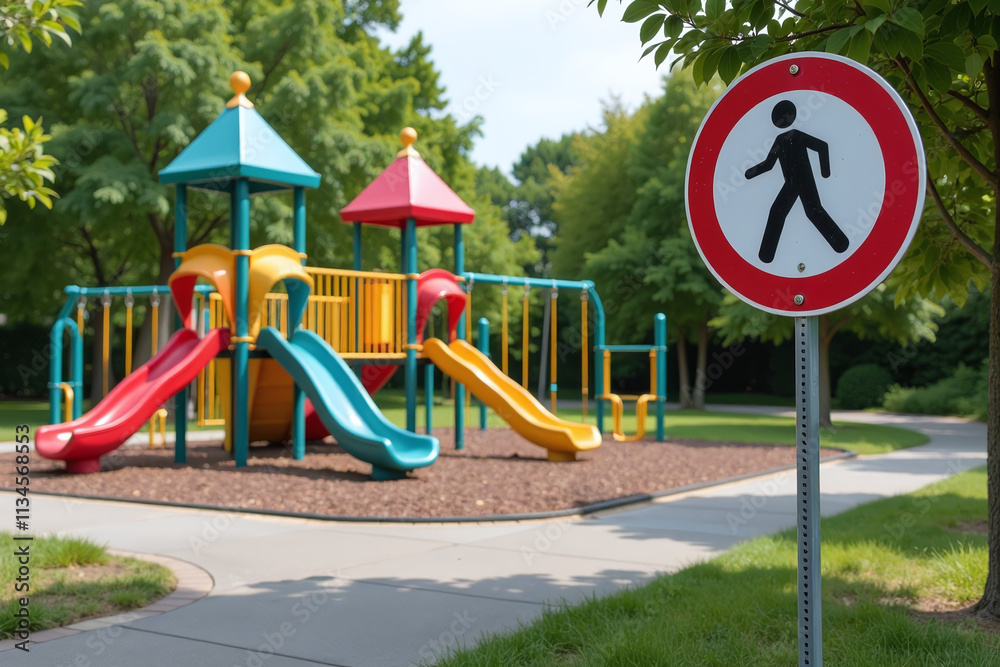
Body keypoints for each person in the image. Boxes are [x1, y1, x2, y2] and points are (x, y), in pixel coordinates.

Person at [745, 100, 850, 263]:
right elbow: (769, 164)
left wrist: (825, 172)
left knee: (810, 211)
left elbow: (822, 146)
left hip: (803, 179)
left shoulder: (796, 135)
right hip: (792, 182)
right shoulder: (780, 139)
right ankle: (766, 256)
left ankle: (841, 244)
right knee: (792, 211)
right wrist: (749, 173)